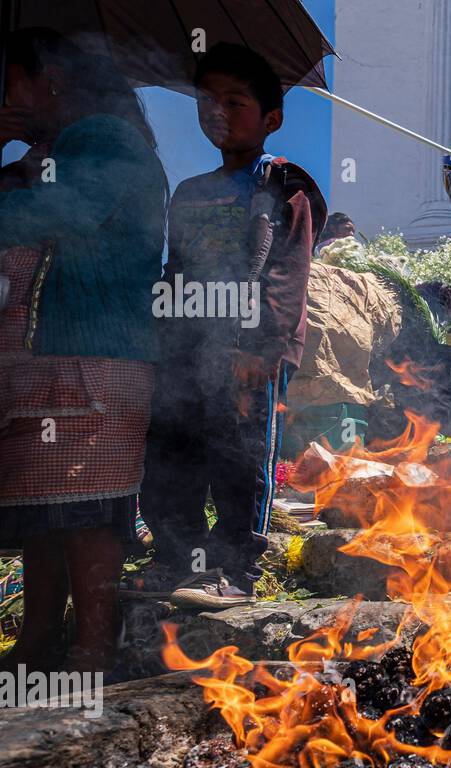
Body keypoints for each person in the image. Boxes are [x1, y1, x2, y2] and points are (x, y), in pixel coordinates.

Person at [0, 29, 167, 672]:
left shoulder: (104, 138)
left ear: (51, 80)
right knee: (45, 506)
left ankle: (93, 648)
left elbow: (62, 215)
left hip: (93, 354)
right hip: (59, 358)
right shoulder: (58, 148)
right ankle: (38, 642)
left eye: (13, 78)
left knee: (86, 510)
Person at [140, 43, 326, 610]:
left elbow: (288, 267)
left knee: (238, 455)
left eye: (234, 101)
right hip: (187, 345)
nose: (216, 111)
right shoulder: (190, 191)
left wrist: (261, 344)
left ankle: (236, 568)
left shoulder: (283, 184)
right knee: (173, 450)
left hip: (249, 352)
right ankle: (175, 556)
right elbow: (176, 270)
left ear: (271, 119)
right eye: (206, 101)